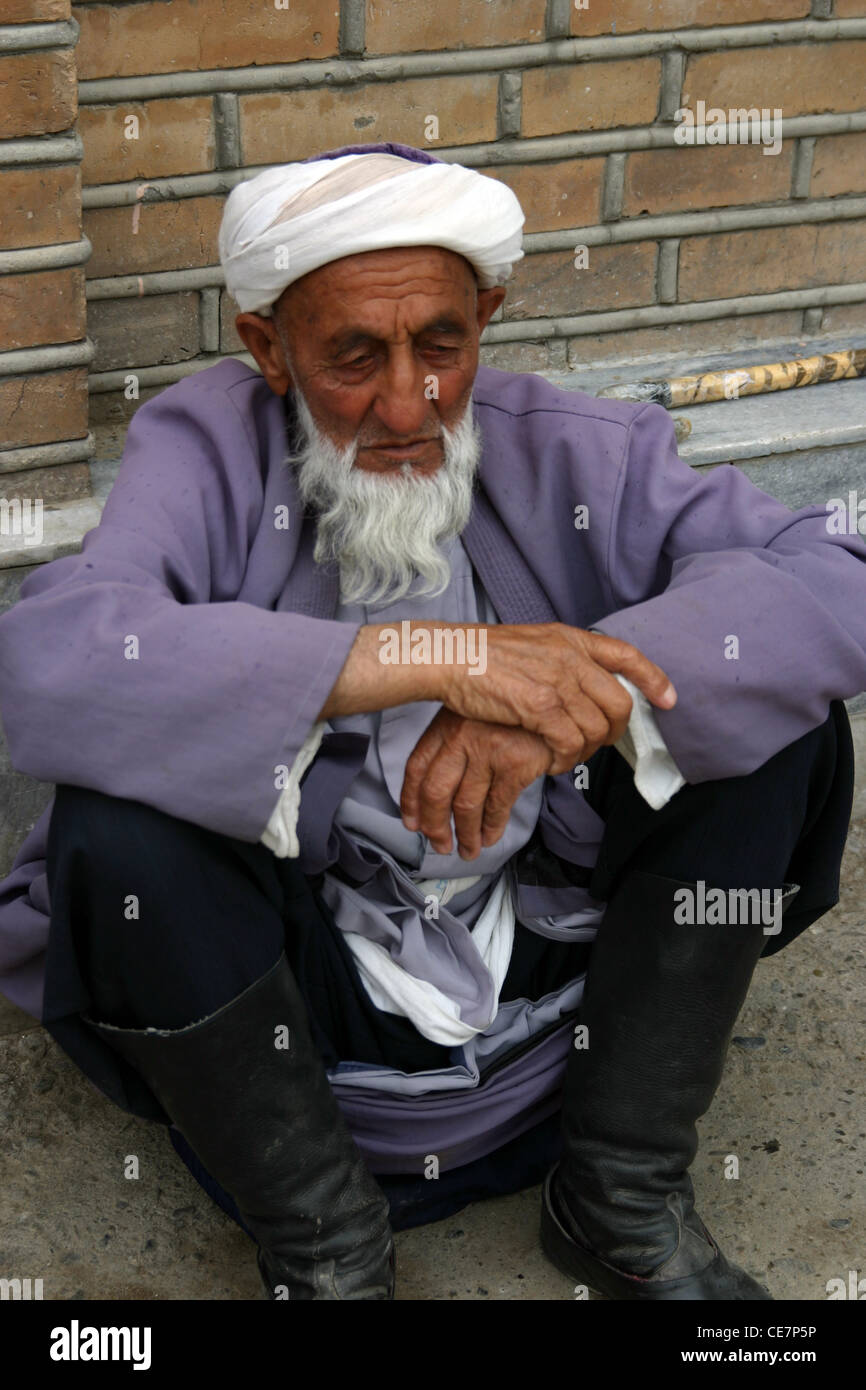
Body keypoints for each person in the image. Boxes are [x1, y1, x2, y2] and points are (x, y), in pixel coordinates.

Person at [0, 141, 863, 1302]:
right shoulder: (199, 451)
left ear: (484, 320)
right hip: (313, 1004)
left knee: (770, 722)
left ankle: (616, 1189)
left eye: (439, 346)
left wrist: (580, 704)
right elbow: (47, 664)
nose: (407, 403)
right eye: (352, 356)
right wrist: (426, 657)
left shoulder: (570, 444)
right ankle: (326, 1248)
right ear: (268, 347)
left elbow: (833, 573)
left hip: (548, 969)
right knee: (117, 831)